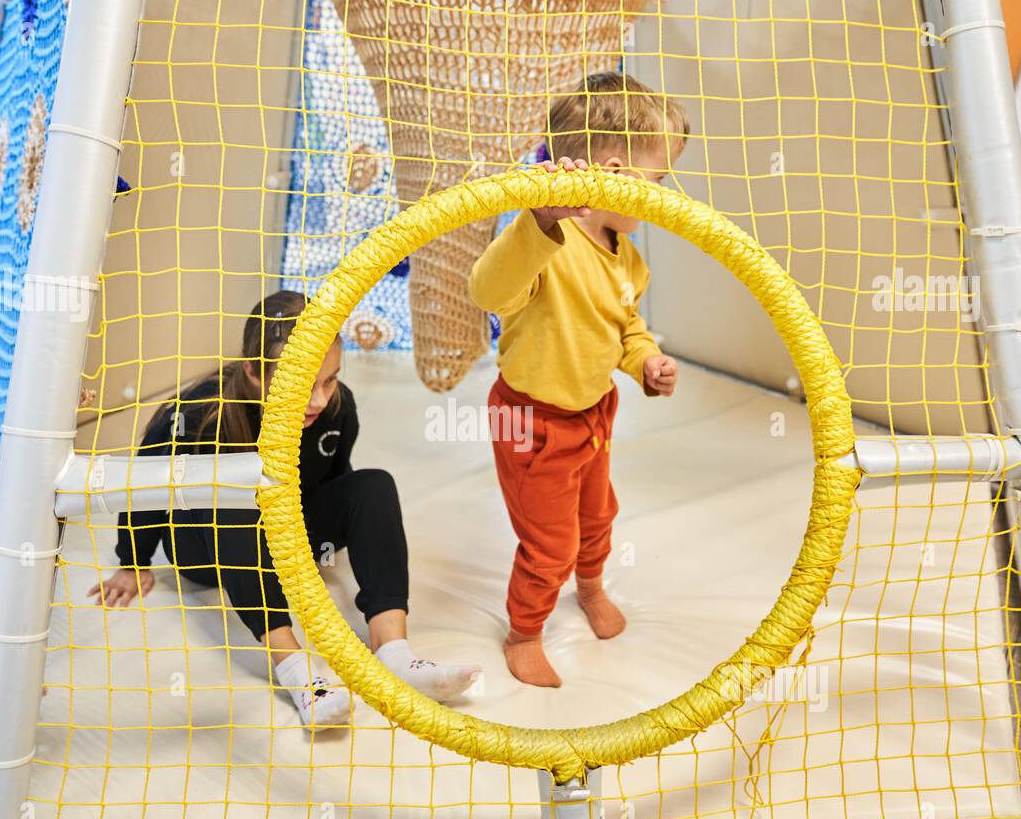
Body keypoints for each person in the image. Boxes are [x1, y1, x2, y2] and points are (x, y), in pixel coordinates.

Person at [89, 291, 481, 726]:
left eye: (330, 380)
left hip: (284, 534)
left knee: (374, 486)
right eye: (302, 384)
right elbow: (146, 481)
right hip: (208, 546)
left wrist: (332, 541)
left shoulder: (335, 406)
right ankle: (298, 674)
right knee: (234, 490)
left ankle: (395, 654)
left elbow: (336, 481)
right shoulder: (199, 412)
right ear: (255, 373)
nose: (318, 400)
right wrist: (133, 560)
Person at [468, 71, 688, 688]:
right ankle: (525, 632)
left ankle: (590, 588)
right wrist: (536, 225)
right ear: (614, 172)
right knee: (549, 540)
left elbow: (625, 327)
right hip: (530, 418)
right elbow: (490, 290)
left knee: (598, 516)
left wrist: (645, 361)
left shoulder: (628, 255)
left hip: (594, 413)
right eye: (658, 181)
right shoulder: (545, 237)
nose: (663, 196)